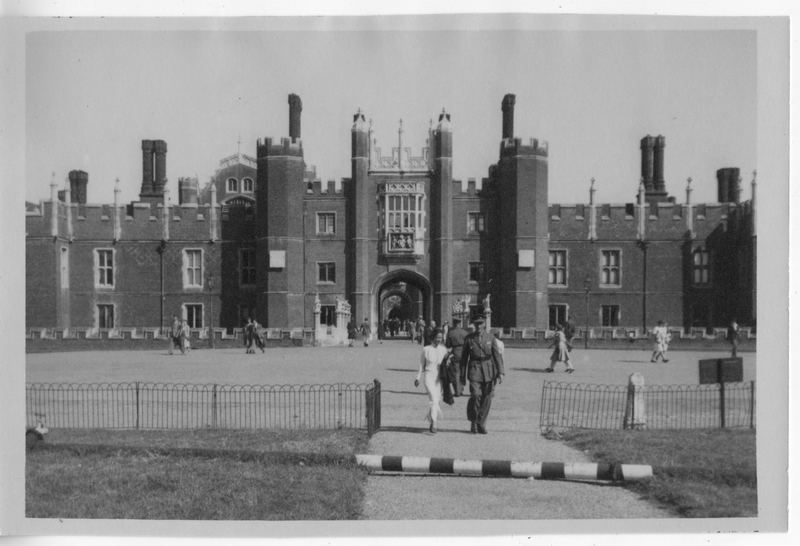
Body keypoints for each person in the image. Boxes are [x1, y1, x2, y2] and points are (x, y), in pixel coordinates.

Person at [461, 314, 505, 435]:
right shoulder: (469, 339)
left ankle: (481, 422)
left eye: (481, 323)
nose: (479, 326)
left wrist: (501, 372)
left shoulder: (491, 337)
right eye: (476, 323)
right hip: (474, 369)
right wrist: (462, 377)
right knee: (475, 395)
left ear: (484, 324)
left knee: (488, 397)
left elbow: (497, 355)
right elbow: (464, 359)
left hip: (489, 370)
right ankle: (474, 421)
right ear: (473, 325)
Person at [415, 328, 450, 434]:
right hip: (429, 376)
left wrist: (448, 361)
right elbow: (421, 364)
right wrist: (418, 377)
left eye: (441, 337)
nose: (439, 339)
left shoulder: (444, 350)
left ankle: (431, 422)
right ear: (433, 337)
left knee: (436, 399)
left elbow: (447, 363)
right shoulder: (426, 349)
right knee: (433, 398)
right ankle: (434, 423)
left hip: (439, 378)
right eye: (437, 337)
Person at [445, 318, 468, 397]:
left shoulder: (451, 332)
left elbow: (447, 345)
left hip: (455, 352)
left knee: (456, 372)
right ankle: (461, 389)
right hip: (464, 353)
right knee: (463, 372)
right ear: (460, 323)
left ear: (454, 323)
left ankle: (457, 391)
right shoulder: (465, 332)